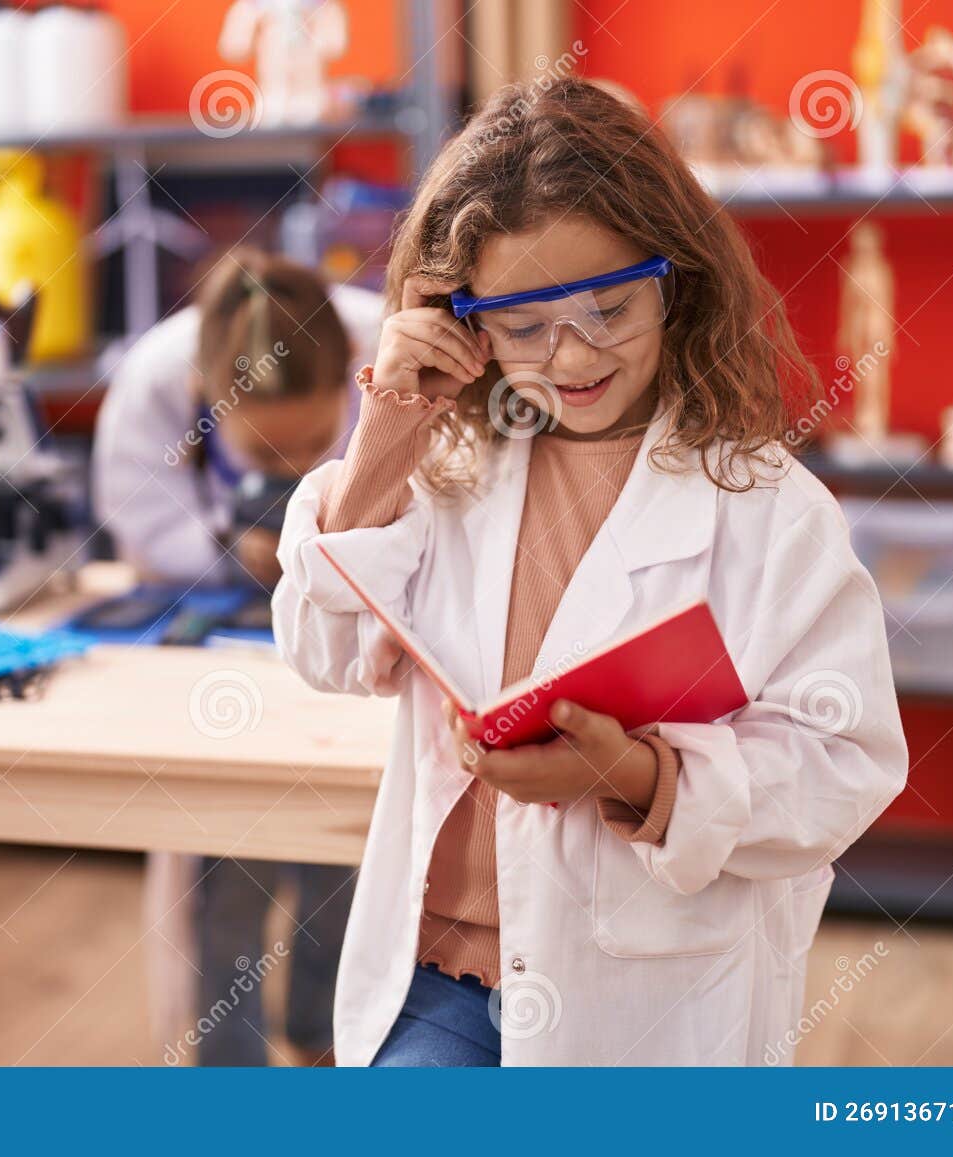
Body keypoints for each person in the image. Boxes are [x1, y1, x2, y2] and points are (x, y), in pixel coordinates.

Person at [270, 78, 909, 1066]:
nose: (571, 354)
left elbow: (846, 764)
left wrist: (636, 774)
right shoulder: (446, 466)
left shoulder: (769, 508)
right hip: (440, 972)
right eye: (522, 326)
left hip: (642, 1002)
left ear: (676, 282)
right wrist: (387, 433)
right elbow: (322, 651)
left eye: (610, 306)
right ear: (460, 319)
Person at [94, 249, 382, 1065]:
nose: (290, 475)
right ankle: (232, 1071)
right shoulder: (155, 380)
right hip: (219, 657)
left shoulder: (391, 353)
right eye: (264, 457)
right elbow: (143, 529)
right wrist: (228, 551)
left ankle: (331, 1041)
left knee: (344, 854)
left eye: (308, 447)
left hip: (354, 662)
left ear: (353, 386)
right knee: (227, 865)